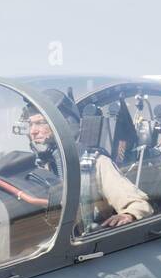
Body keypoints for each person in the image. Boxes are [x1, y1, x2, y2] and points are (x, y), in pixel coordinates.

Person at [23, 90, 153, 231]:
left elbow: (138, 205)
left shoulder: (94, 164)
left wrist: (128, 215)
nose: (33, 131)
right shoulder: (37, 168)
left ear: (64, 123)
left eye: (41, 123)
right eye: (31, 124)